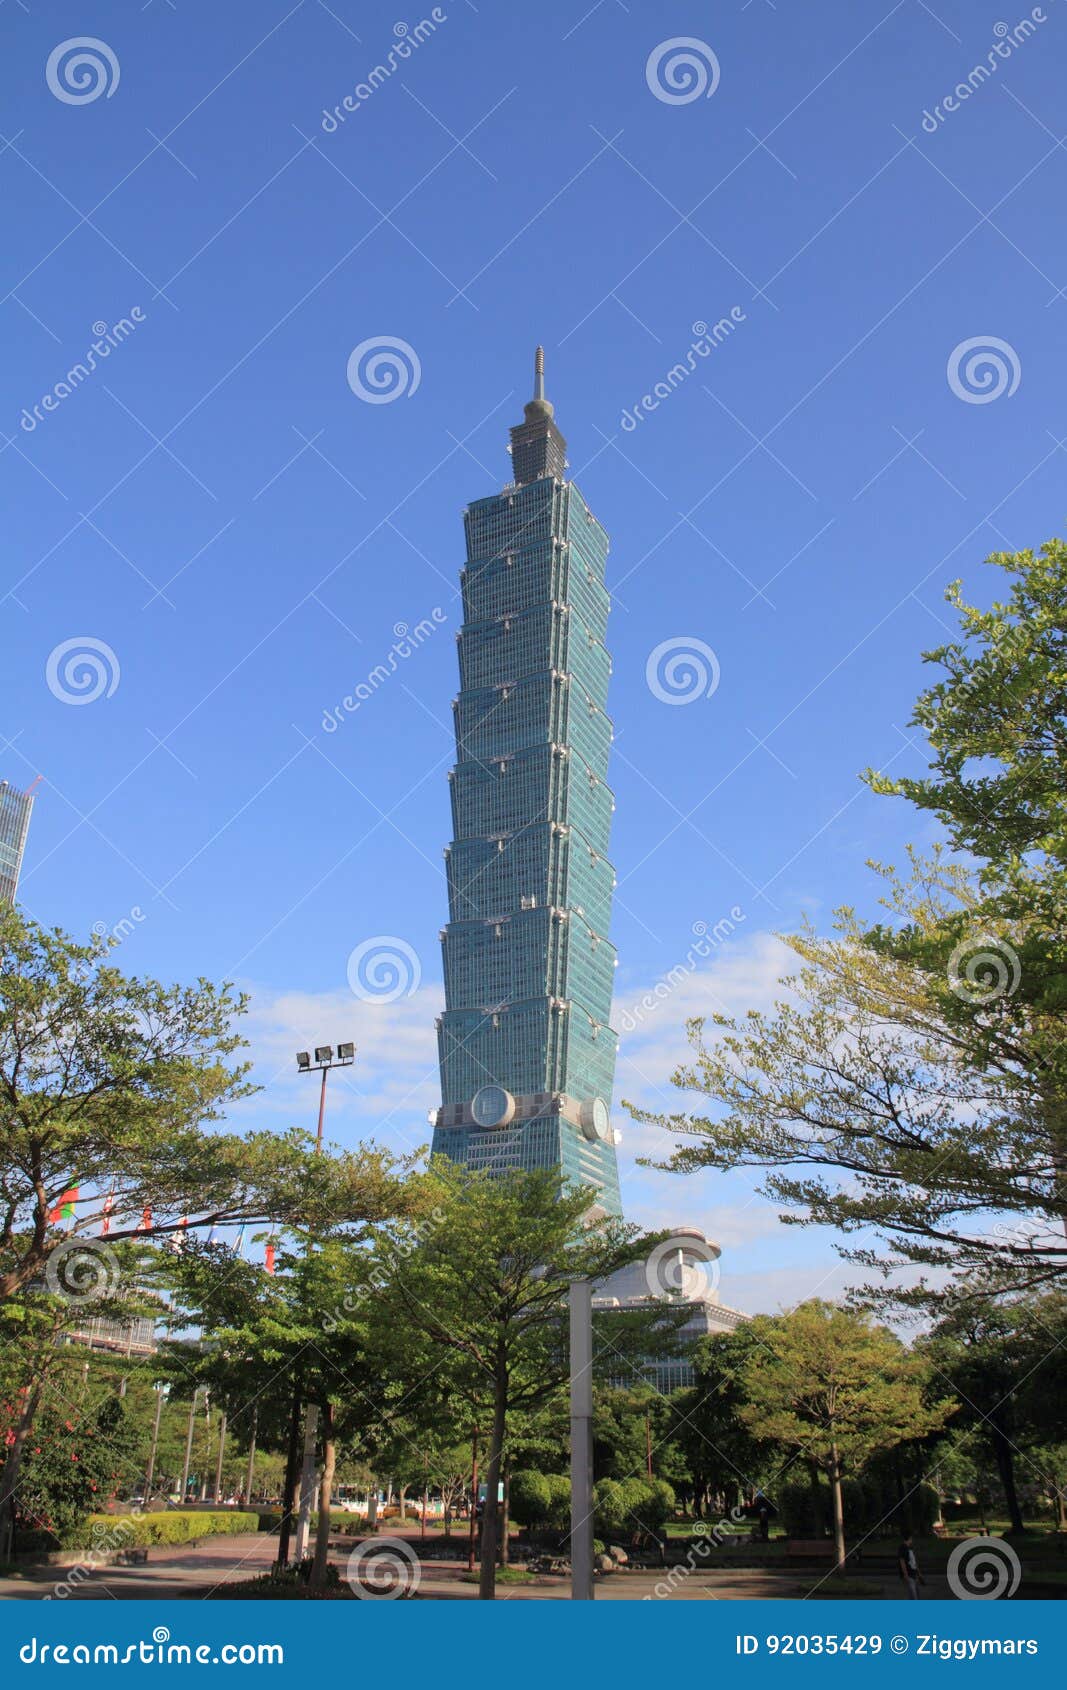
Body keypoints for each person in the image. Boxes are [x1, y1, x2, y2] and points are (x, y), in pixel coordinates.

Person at [897, 1531, 923, 1598]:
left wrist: (919, 1573)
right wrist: (905, 1575)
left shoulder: (910, 1548)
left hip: (913, 1573)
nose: (912, 1540)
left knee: (916, 1594)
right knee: (913, 1595)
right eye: (911, 1539)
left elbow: (914, 1561)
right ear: (909, 1539)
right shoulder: (902, 1548)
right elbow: (902, 1562)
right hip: (909, 1575)